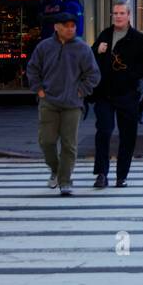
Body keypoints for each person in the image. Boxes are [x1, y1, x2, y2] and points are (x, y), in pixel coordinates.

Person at [25, 13, 100, 196]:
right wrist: (39, 90)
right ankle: (56, 169)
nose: (70, 29)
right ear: (56, 27)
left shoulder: (82, 48)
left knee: (69, 144)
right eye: (66, 25)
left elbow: (94, 74)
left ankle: (65, 180)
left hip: (72, 104)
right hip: (48, 101)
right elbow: (32, 68)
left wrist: (81, 91)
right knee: (46, 141)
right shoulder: (44, 47)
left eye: (73, 26)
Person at [91, 1, 143, 189]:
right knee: (104, 131)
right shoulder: (105, 35)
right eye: (115, 13)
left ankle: (121, 175)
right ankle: (101, 174)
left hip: (127, 94)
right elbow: (90, 58)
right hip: (105, 93)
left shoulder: (138, 39)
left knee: (127, 136)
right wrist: (97, 50)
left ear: (128, 15)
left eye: (121, 13)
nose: (118, 16)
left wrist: (132, 75)